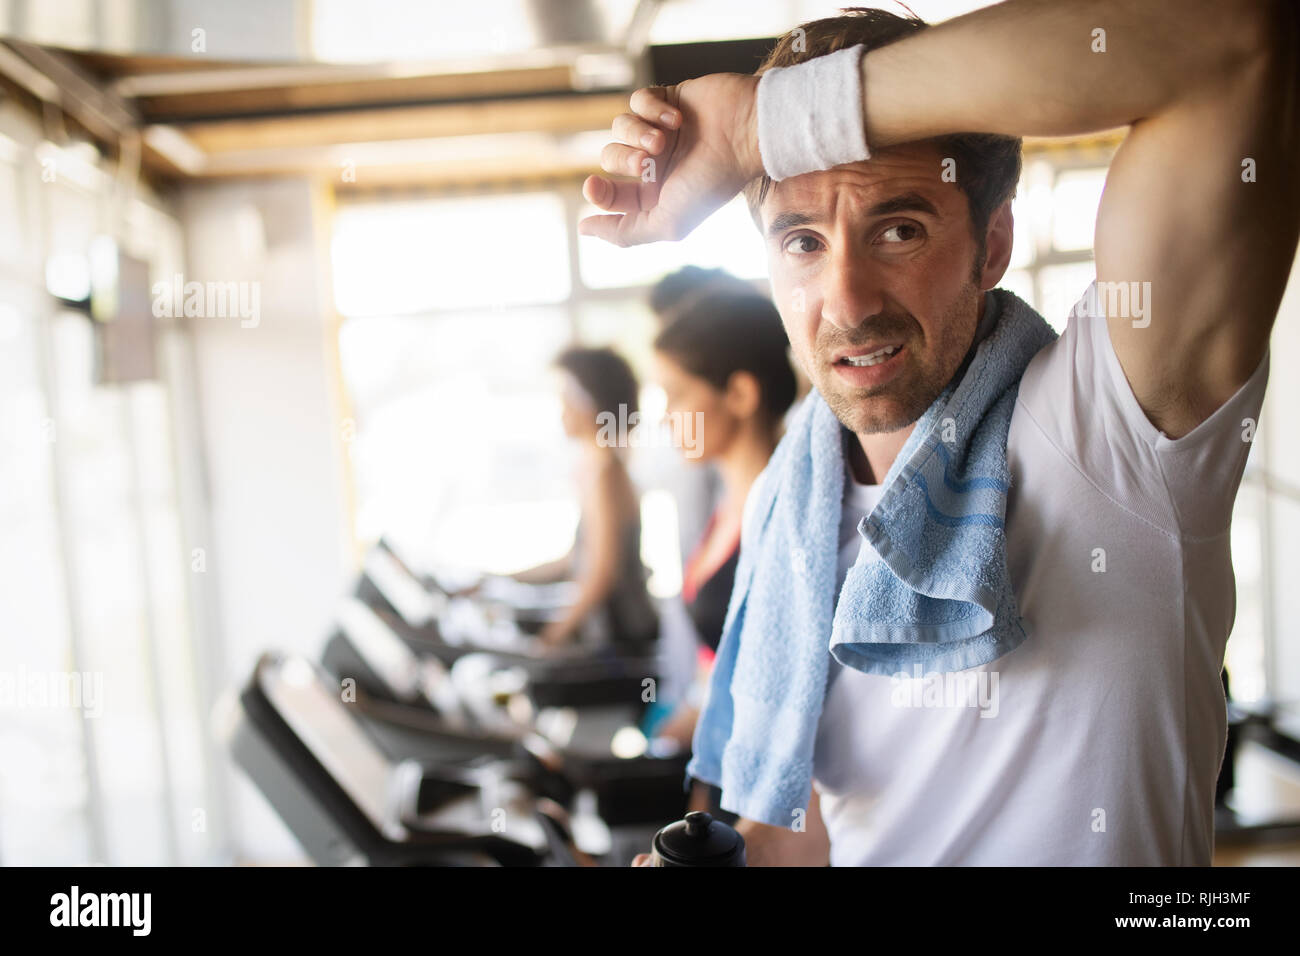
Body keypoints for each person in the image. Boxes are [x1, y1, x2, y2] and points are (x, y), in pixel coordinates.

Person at [579, 2, 1299, 865]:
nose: (847, 301)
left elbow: (1233, 44)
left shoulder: (1111, 426)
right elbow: (799, 834)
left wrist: (758, 123)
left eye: (899, 229)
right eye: (803, 241)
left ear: (991, 245)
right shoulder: (792, 495)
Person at [645, 292, 797, 815]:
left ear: (739, 393)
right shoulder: (727, 501)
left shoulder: (783, 518)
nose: (666, 419)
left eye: (676, 395)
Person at [509, 346, 658, 652]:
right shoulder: (597, 468)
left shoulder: (607, 473)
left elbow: (602, 574)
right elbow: (576, 559)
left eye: (565, 401)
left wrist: (549, 639)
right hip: (615, 633)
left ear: (589, 405)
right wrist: (508, 579)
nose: (561, 412)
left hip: (623, 641)